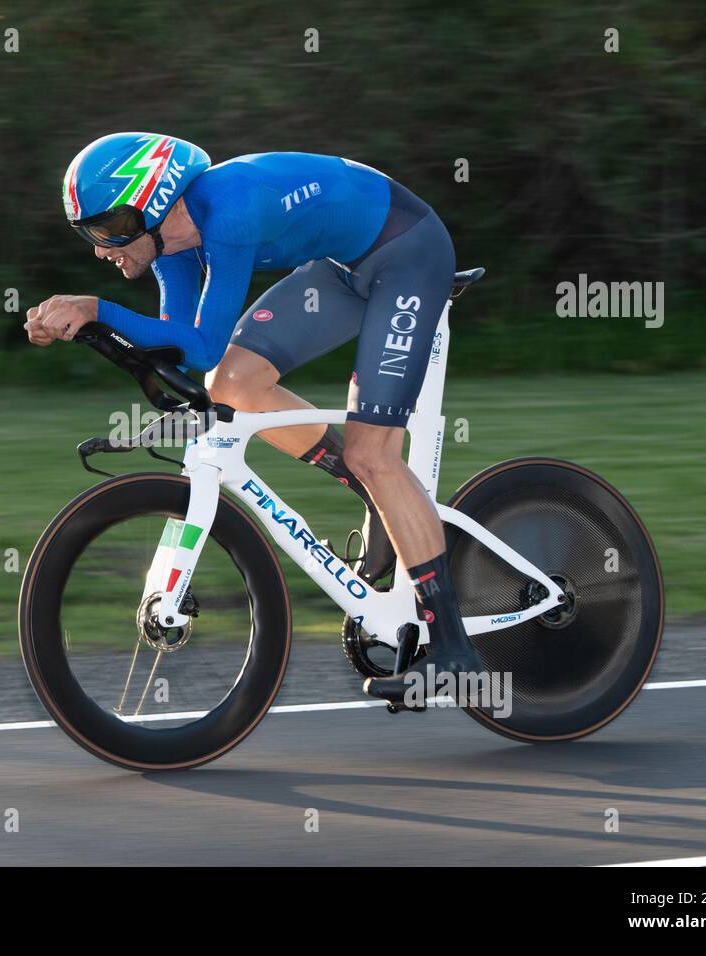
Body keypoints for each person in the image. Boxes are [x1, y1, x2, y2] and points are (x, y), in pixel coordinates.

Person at [24, 132, 483, 702]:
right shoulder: (173, 245)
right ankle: (371, 494)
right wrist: (89, 331)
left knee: (375, 454)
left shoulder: (230, 211)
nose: (100, 249)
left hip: (409, 254)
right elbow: (188, 353)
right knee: (234, 386)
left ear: (153, 200)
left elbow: (208, 340)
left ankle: (456, 654)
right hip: (344, 268)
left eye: (108, 230)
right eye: (88, 234)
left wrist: (95, 309)